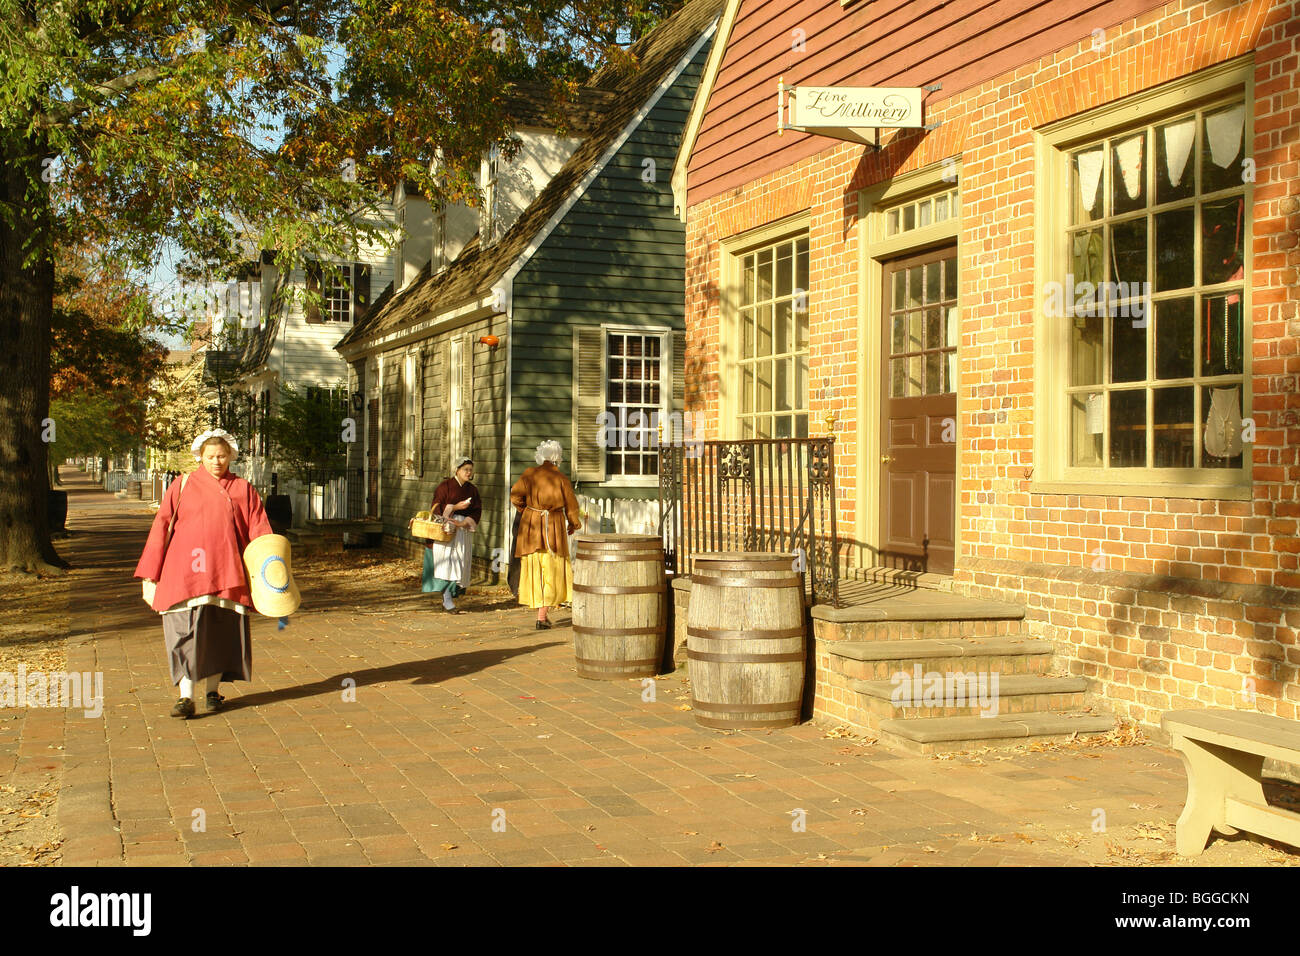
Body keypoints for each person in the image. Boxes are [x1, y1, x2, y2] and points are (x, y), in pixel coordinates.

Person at [134, 429, 273, 718]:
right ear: (200, 456)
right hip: (185, 573)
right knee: (183, 630)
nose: (216, 462)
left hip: (228, 573)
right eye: (210, 457)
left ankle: (212, 692)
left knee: (221, 631)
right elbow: (161, 526)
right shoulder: (181, 485)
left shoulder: (243, 489)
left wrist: (269, 566)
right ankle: (186, 696)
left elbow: (259, 530)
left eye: (221, 456)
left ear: (230, 456)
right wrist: (151, 573)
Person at [510, 440, 581, 629]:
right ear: (558, 457)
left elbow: (515, 496)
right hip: (553, 527)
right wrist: (574, 523)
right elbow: (571, 505)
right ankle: (542, 616)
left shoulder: (529, 474)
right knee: (552, 571)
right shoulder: (561, 478)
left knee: (535, 570)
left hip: (530, 527)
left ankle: (540, 614)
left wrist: (527, 511)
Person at [423, 456, 481, 613]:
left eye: (470, 470)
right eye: (465, 470)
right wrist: (454, 507)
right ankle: (446, 599)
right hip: (446, 530)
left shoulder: (472, 490)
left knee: (459, 562)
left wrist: (464, 523)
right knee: (447, 563)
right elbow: (436, 509)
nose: (468, 473)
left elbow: (477, 510)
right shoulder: (445, 487)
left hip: (462, 531)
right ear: (457, 470)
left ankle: (451, 596)